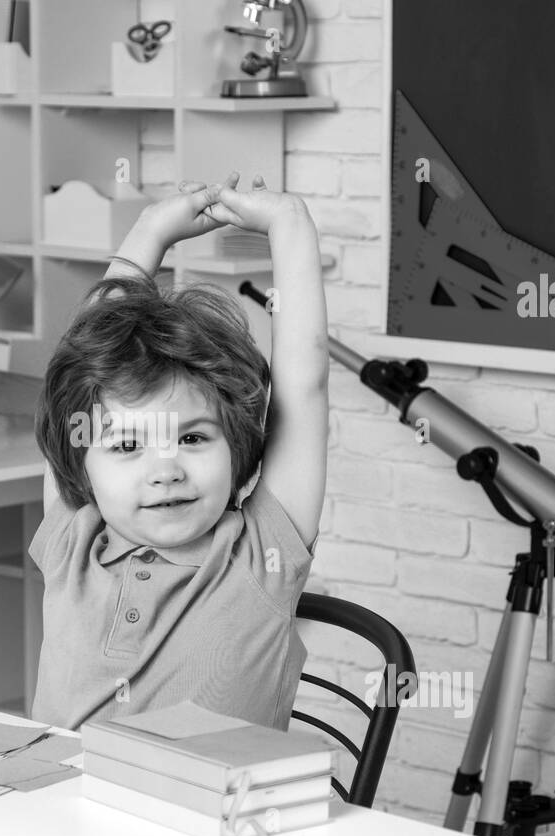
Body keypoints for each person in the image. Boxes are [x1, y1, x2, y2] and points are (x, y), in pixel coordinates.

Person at [28, 171, 329, 731]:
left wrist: (289, 223)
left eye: (192, 438)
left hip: (206, 818)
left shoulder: (264, 552)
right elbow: (81, 361)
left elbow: (304, 385)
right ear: (79, 460)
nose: (165, 470)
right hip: (56, 810)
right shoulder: (73, 538)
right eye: (126, 445)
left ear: (236, 445)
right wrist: (149, 231)